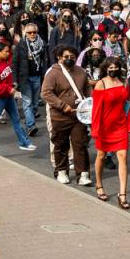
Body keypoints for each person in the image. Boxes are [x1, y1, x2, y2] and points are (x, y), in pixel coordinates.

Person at [42, 44, 92, 186]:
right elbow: (46, 93)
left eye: (72, 57)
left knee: (80, 145)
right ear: (59, 57)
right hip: (60, 116)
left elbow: (87, 88)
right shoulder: (53, 73)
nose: (69, 59)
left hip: (79, 116)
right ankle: (61, 171)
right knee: (60, 145)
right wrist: (63, 106)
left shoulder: (81, 72)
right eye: (66, 57)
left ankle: (83, 174)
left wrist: (89, 103)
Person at [92, 57, 130, 207]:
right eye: (110, 67)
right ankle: (99, 184)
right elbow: (96, 111)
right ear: (105, 68)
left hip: (120, 125)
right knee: (101, 156)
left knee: (123, 156)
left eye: (116, 67)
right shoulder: (100, 84)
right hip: (104, 127)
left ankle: (122, 194)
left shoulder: (124, 83)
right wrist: (95, 130)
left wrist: (129, 124)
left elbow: (127, 105)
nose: (113, 69)